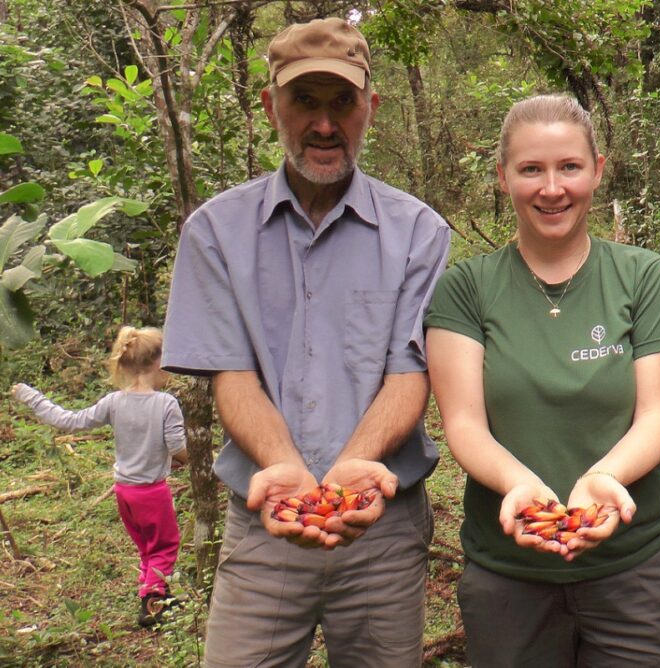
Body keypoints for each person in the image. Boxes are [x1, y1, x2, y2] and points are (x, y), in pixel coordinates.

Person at [161, 17, 450, 667]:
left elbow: (410, 374)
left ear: (369, 109)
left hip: (385, 527)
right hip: (265, 522)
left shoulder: (419, 233)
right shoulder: (216, 233)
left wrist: (348, 476)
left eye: (342, 102)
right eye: (306, 101)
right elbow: (232, 376)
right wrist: (288, 471)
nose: (325, 124)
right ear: (270, 107)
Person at [425, 94, 660, 667]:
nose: (552, 188)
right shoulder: (466, 289)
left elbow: (656, 415)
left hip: (634, 569)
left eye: (569, 167)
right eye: (531, 169)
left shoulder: (642, 276)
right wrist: (521, 485)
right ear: (503, 178)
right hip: (508, 577)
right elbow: (465, 423)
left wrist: (602, 478)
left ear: (597, 169)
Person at [11, 326, 187, 628]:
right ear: (157, 363)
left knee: (146, 545)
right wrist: (204, 461)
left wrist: (31, 396)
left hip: (124, 492)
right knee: (164, 545)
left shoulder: (114, 401)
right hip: (152, 492)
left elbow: (69, 421)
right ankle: (153, 602)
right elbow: (178, 447)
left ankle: (153, 589)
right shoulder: (165, 404)